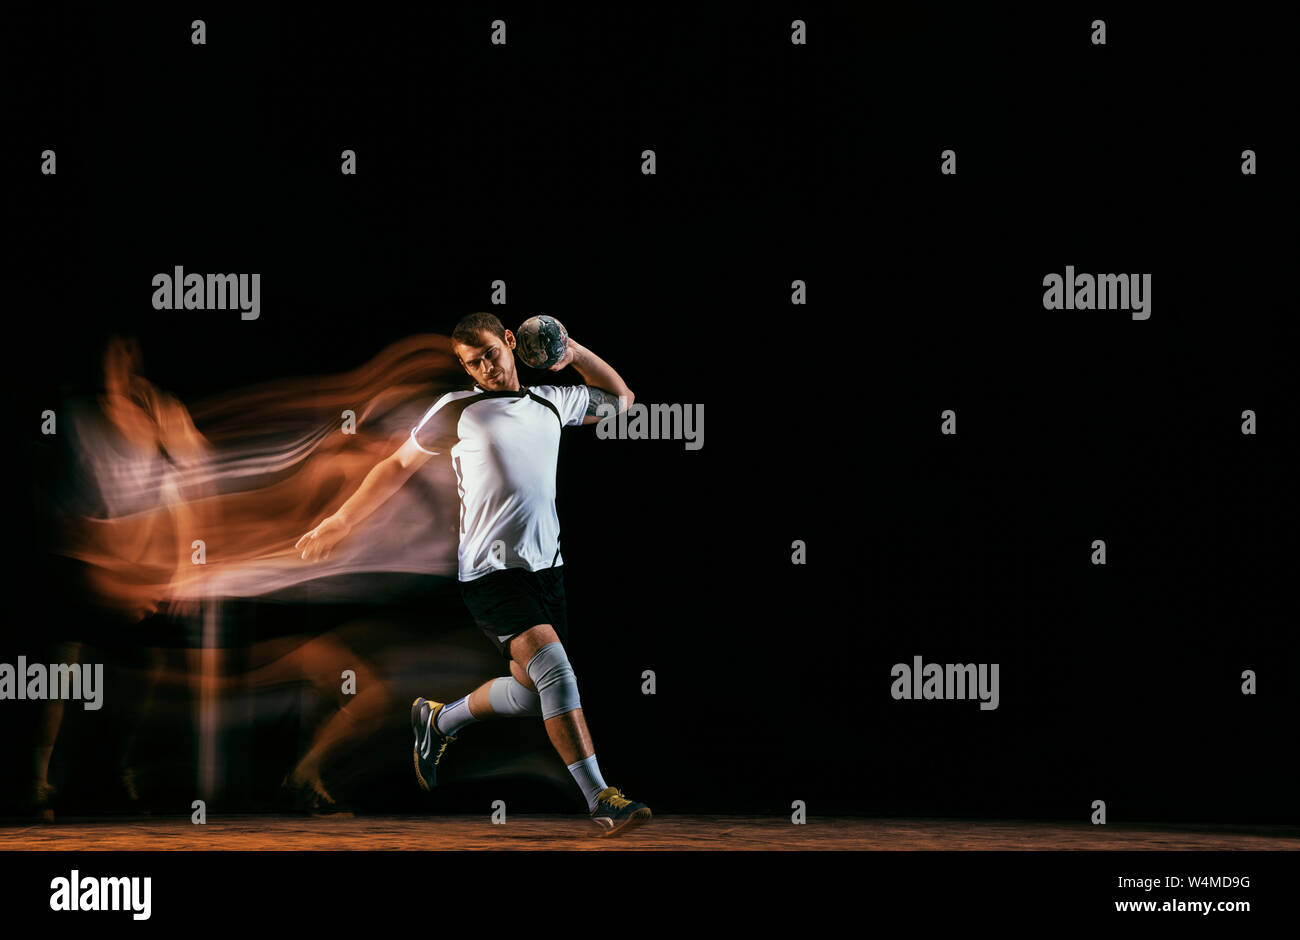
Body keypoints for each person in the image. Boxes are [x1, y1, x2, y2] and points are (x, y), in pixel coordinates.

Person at [296, 313, 651, 836]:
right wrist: (341, 519)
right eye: (471, 363)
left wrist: (571, 352)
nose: (484, 368)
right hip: (490, 573)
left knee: (534, 694)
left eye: (489, 353)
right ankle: (602, 798)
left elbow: (622, 400)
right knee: (557, 675)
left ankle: (440, 720)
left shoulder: (552, 401)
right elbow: (395, 466)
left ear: (511, 343)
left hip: (546, 571)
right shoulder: (457, 410)